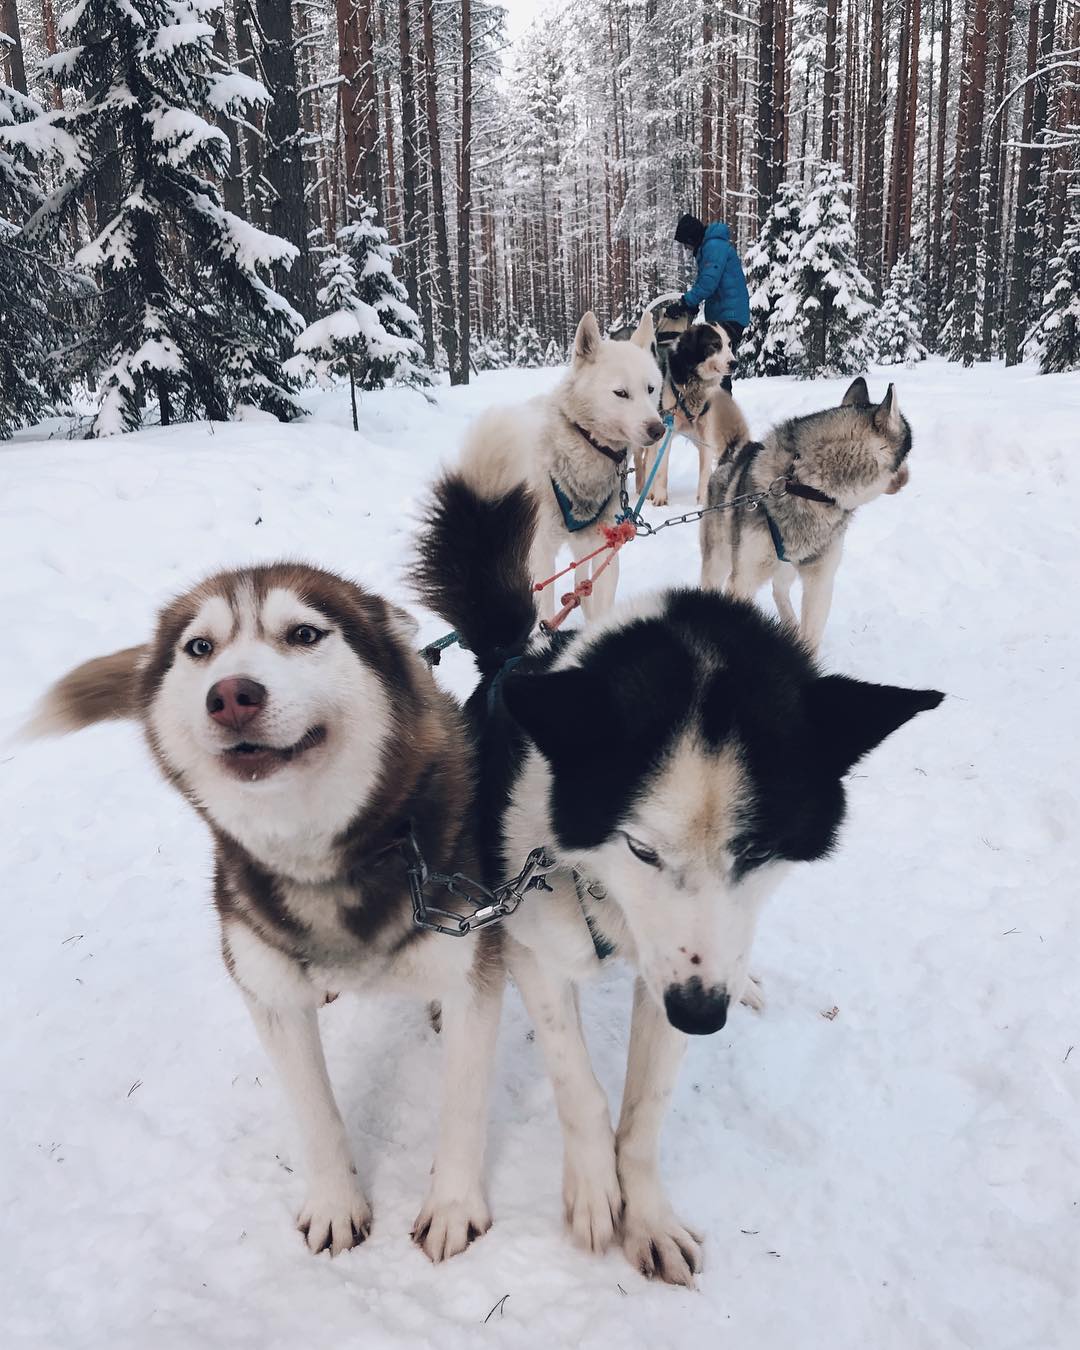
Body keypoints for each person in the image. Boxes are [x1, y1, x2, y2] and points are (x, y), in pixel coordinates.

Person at [666, 214, 750, 389]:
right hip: (725, 312)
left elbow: (708, 283)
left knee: (720, 364)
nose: (687, 248)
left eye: (686, 243)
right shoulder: (710, 247)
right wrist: (692, 304)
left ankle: (721, 411)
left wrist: (685, 303)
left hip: (730, 314)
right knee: (718, 363)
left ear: (692, 237)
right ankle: (717, 408)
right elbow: (708, 281)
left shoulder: (713, 246)